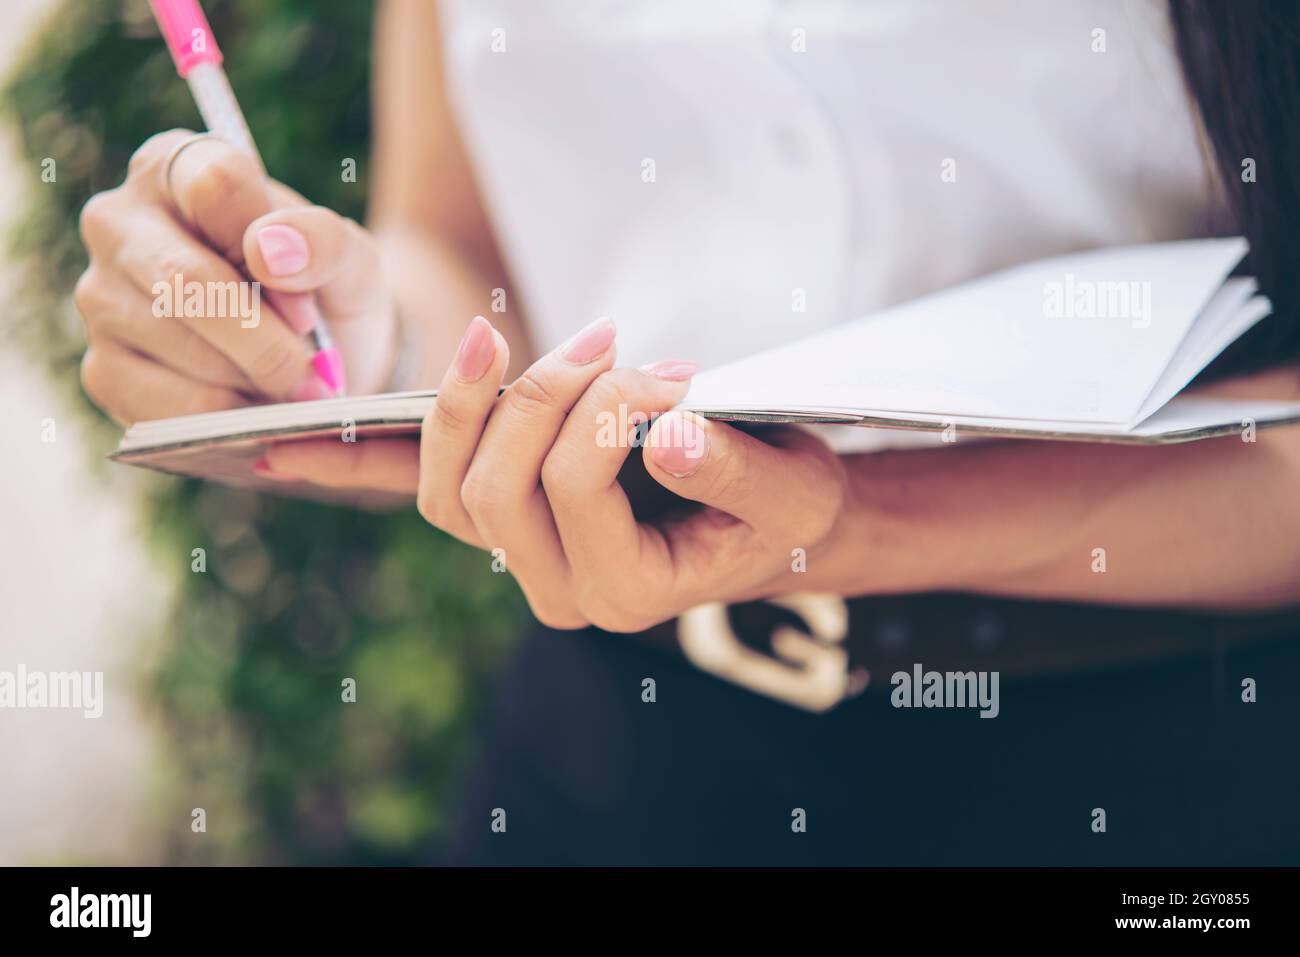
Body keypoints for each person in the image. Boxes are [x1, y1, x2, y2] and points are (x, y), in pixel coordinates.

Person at [74, 0, 1300, 864]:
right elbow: (454, 245)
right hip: (626, 735)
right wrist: (333, 341)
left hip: (1166, 739)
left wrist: (848, 525)